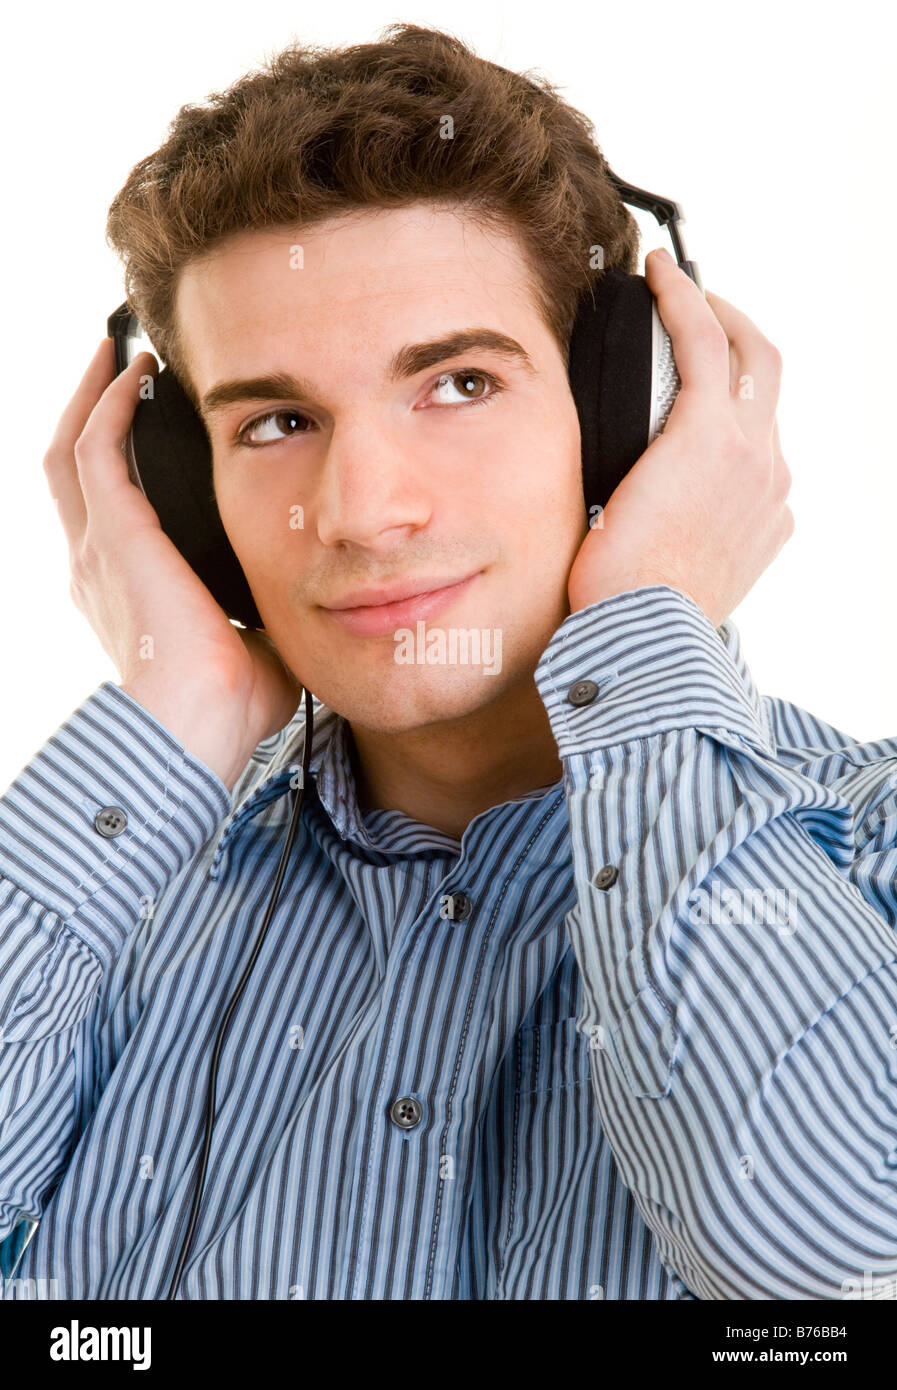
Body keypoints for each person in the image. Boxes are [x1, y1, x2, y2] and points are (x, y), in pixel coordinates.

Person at [1, 22, 895, 1301]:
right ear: (180, 491)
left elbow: (813, 1257)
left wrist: (646, 611)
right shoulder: (106, 893)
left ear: (628, 416)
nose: (363, 512)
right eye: (277, 421)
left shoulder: (871, 856)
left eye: (460, 384)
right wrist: (177, 706)